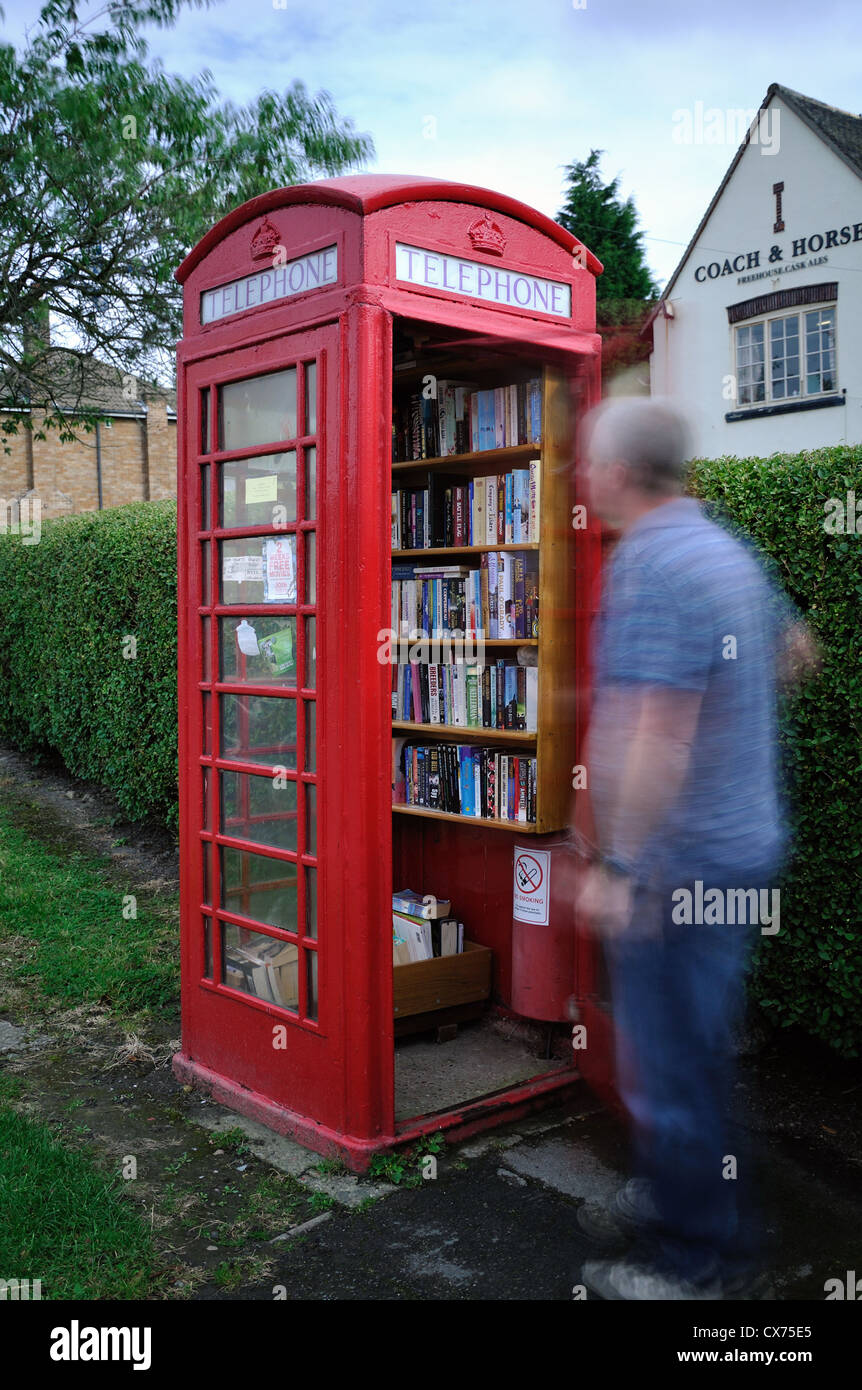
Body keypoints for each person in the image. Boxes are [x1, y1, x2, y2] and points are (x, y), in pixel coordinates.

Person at [572, 396, 819, 1301]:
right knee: (697, 1045)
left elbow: (655, 731)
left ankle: (694, 1261)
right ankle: (689, 1191)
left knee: (670, 1062)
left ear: (621, 473)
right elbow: (797, 651)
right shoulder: (723, 547)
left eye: (590, 461)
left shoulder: (652, 562)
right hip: (744, 846)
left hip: (681, 866)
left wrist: (622, 867)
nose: (580, 477)